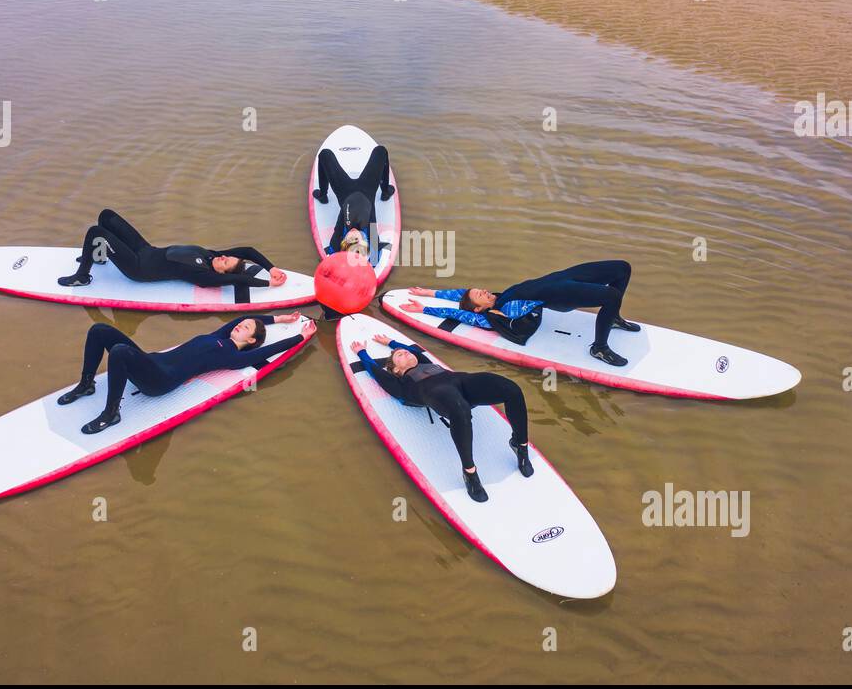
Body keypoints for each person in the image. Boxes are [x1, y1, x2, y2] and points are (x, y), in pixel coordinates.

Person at [351, 333, 532, 503]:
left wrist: (391, 343)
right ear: (396, 369)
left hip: (462, 383)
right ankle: (470, 473)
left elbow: (413, 350)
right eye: (399, 355)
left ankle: (520, 445)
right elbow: (375, 371)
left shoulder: (423, 361)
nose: (404, 352)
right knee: (460, 410)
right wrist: (362, 352)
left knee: (512, 390)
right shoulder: (400, 383)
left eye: (404, 351)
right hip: (437, 394)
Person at [59, 314, 314, 434]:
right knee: (100, 329)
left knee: (119, 352)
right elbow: (246, 316)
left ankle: (110, 413)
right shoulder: (219, 337)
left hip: (159, 380)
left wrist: (300, 337)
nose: (240, 324)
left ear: (252, 339)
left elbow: (271, 349)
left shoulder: (234, 357)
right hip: (151, 361)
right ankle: (86, 384)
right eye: (241, 323)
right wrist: (279, 318)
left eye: (245, 327)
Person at [403, 260, 640, 367]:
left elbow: (460, 294)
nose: (484, 291)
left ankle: (613, 318)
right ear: (479, 309)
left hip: (562, 276)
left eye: (480, 290)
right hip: (560, 295)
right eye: (480, 295)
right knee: (611, 296)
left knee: (621, 269)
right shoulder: (495, 312)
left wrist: (429, 292)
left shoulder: (497, 295)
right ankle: (599, 347)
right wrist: (424, 309)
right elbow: (458, 314)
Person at [56, 208, 288, 289]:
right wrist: (271, 267)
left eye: (226, 262)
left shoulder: (206, 277)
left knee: (96, 232)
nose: (225, 256)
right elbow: (247, 250)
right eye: (228, 257)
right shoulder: (212, 256)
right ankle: (98, 256)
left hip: (138, 268)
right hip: (145, 249)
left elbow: (241, 281)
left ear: (222, 274)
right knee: (106, 217)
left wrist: (268, 283)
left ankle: (82, 277)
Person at [312, 144, 394, 261]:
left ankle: (322, 195)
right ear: (365, 241)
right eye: (357, 239)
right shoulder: (371, 231)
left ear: (344, 240)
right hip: (368, 187)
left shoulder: (340, 232)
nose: (353, 233)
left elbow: (332, 254)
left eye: (350, 239)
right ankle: (385, 192)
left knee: (325, 154)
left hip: (344, 190)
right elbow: (375, 260)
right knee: (381, 151)